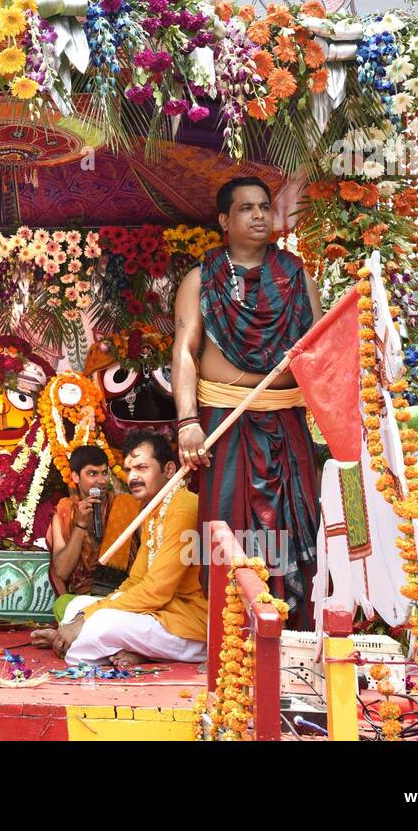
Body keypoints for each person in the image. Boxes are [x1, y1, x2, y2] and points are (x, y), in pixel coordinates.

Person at [171, 175, 323, 627]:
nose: (259, 215)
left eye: (263, 206)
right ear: (224, 219)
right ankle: (230, 634)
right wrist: (186, 422)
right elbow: (184, 351)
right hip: (224, 420)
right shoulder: (202, 279)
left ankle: (292, 628)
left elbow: (316, 350)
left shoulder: (296, 276)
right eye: (246, 208)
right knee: (227, 526)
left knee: (295, 526)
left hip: (285, 421)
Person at [31, 432, 207, 666]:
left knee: (103, 621)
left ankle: (78, 641)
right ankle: (122, 646)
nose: (133, 477)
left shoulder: (183, 508)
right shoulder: (153, 510)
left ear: (169, 470)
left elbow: (157, 590)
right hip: (160, 610)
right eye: (129, 469)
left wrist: (88, 618)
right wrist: (87, 613)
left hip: (187, 621)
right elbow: (136, 581)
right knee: (74, 606)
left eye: (142, 468)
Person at [45, 445, 141, 621]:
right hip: (84, 599)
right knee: (62, 604)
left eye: (104, 473)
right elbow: (62, 571)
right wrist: (80, 524)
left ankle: (84, 631)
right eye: (92, 474)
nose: (102, 480)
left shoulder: (128, 506)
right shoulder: (64, 512)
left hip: (123, 596)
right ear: (75, 477)